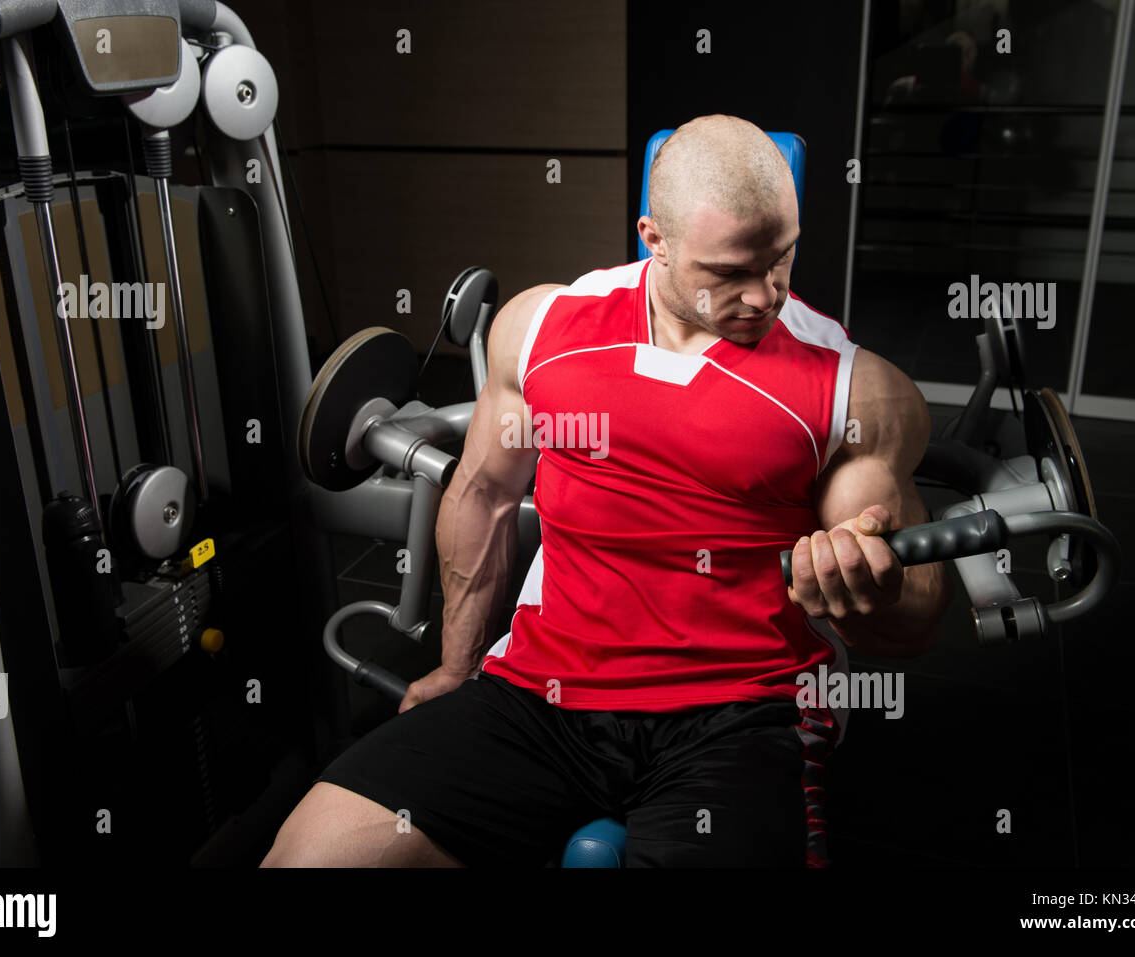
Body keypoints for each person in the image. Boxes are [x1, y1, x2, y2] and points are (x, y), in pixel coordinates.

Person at [262, 114, 951, 868]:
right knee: (314, 854)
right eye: (728, 273)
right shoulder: (542, 328)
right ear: (653, 239)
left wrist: (871, 590)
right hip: (541, 692)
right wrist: (457, 668)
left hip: (743, 707)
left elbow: (915, 618)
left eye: (781, 258)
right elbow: (485, 496)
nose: (765, 296)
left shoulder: (855, 389)